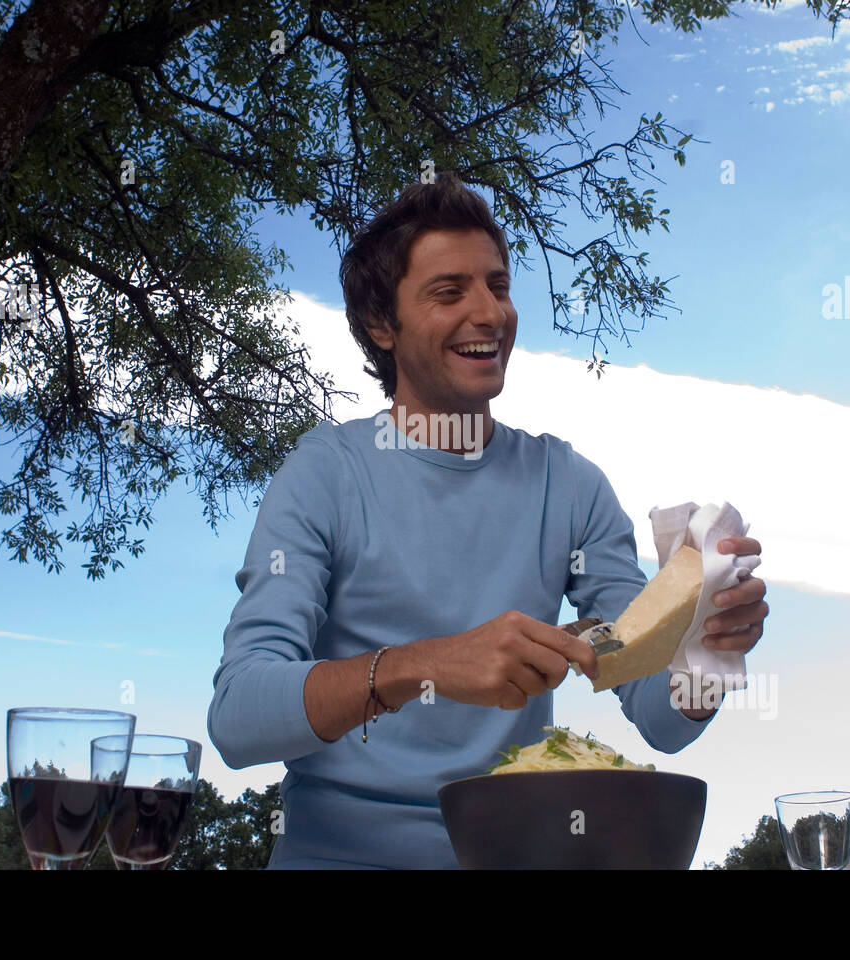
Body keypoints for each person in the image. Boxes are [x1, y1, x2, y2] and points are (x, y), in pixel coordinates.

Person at [207, 173, 767, 868]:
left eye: (498, 287)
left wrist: (710, 645)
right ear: (383, 325)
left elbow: (659, 714)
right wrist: (422, 666)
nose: (489, 313)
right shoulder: (325, 474)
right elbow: (237, 715)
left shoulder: (571, 485)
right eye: (449, 292)